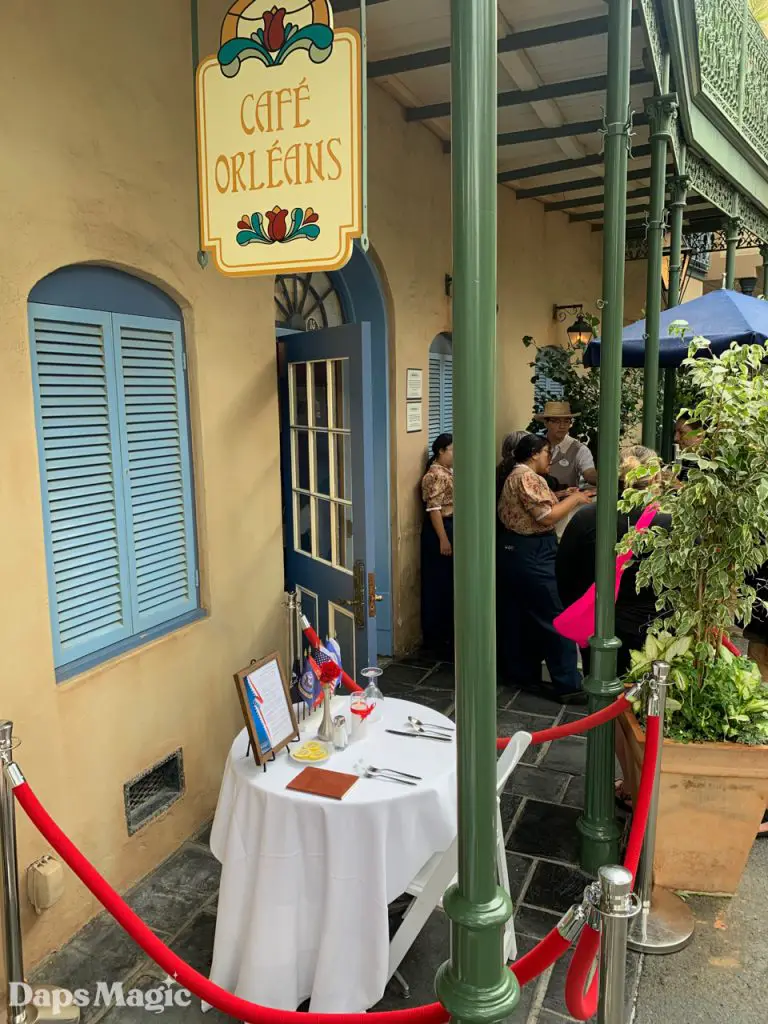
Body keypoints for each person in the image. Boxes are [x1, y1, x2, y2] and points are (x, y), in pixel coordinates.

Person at [555, 445, 669, 679]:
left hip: (597, 622)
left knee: (598, 690)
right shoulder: (672, 523)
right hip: (654, 629)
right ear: (657, 477)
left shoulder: (586, 518)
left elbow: (564, 573)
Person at [497, 434, 593, 703]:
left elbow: (535, 504)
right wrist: (576, 500)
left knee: (520, 614)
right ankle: (569, 685)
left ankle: (519, 672)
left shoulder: (517, 475)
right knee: (554, 616)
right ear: (535, 453)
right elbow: (546, 515)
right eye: (548, 454)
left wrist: (563, 494)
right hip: (532, 552)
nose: (550, 459)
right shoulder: (527, 477)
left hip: (514, 550)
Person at [420, 433, 454, 656]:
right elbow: (434, 509)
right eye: (451, 450)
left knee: (447, 583)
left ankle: (445, 632)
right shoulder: (434, 475)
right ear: (441, 451)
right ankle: (436, 637)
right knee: (437, 583)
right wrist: (443, 539)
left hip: (449, 524)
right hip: (440, 529)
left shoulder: (447, 472)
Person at [535, 401, 597, 489]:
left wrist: (604, 480)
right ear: (546, 423)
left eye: (566, 421)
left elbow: (589, 473)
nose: (562, 426)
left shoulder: (580, 449)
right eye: (556, 421)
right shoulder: (535, 445)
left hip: (566, 501)